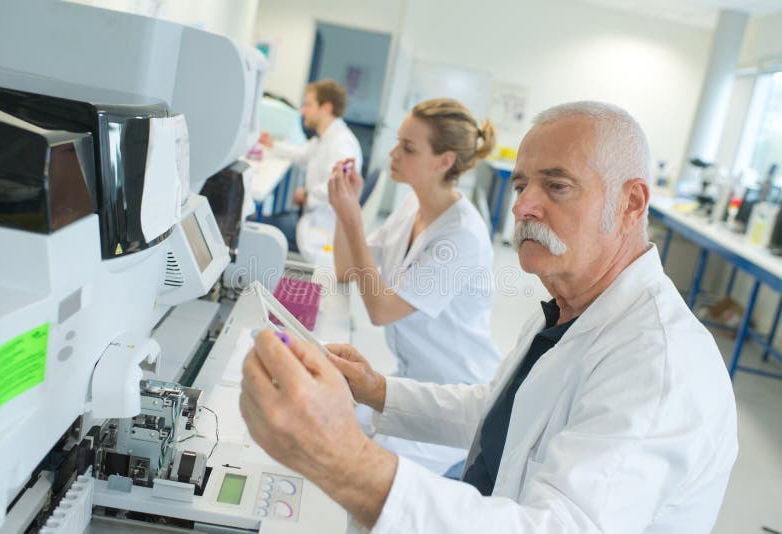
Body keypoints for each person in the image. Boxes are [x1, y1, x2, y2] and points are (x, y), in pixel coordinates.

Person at [239, 101, 738, 533]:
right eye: (521, 185)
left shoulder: (655, 364)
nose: (523, 205)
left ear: (631, 204)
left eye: (557, 186)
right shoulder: (571, 307)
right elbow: (498, 411)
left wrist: (345, 461)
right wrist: (374, 388)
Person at [327, 98, 502, 475]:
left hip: (452, 397)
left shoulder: (460, 236)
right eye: (397, 142)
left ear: (445, 161)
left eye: (408, 148)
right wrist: (347, 210)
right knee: (325, 419)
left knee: (367, 475)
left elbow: (381, 311)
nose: (393, 153)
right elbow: (345, 268)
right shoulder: (412, 206)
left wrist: (354, 220)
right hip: (410, 380)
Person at [258, 79, 362, 263]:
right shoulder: (324, 138)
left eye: (308, 105)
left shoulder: (342, 144)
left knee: (258, 228)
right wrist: (272, 144)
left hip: (319, 228)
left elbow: (342, 188)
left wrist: (307, 196)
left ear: (326, 108)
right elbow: (302, 154)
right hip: (308, 216)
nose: (303, 111)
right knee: (262, 222)